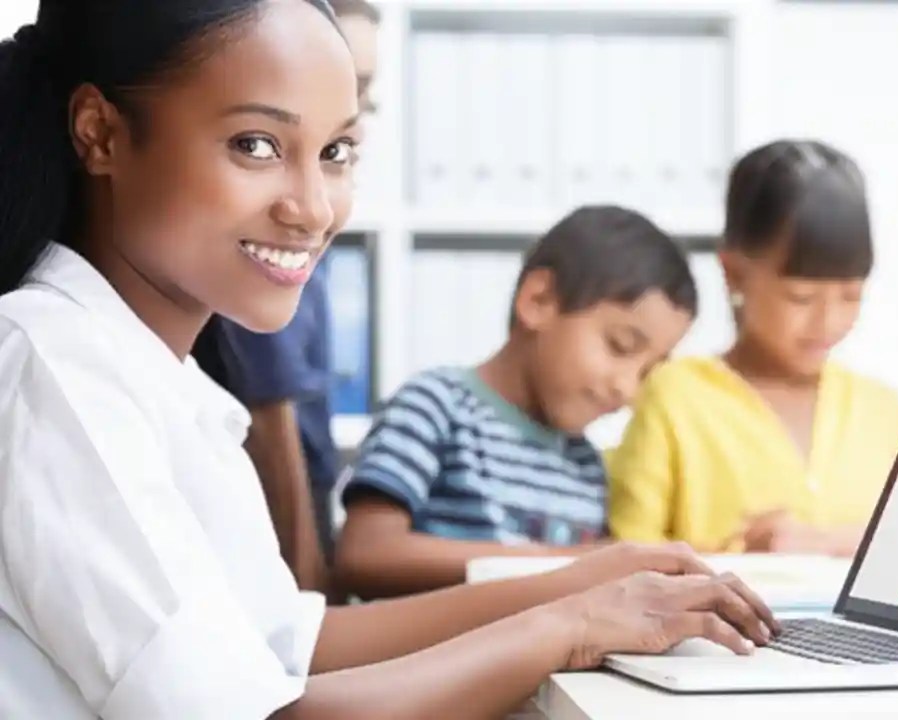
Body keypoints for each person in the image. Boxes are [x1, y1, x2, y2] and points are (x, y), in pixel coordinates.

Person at [0, 3, 777, 718]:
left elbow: (293, 646)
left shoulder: (166, 378)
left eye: (336, 151)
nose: (313, 207)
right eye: (256, 145)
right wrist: (569, 627)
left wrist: (579, 583)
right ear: (100, 133)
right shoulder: (56, 364)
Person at [336, 205, 699, 597]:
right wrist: (559, 564)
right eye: (620, 346)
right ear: (538, 300)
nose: (628, 389)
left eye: (648, 372)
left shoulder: (584, 465)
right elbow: (364, 555)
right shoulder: (435, 405)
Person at [607, 140, 898, 555]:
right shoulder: (676, 397)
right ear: (734, 273)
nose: (829, 321)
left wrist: (827, 543)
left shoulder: (884, 411)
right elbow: (623, 561)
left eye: (850, 296)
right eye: (800, 297)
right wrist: (736, 556)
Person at [190, 0, 383, 597]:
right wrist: (306, 578)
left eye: (363, 91)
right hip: (282, 507)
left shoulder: (304, 227)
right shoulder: (249, 251)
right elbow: (272, 416)